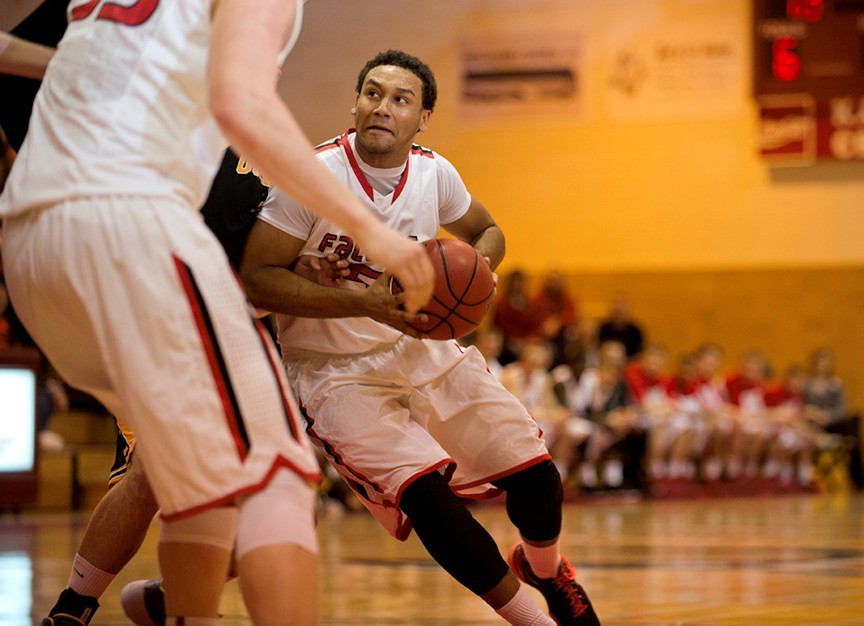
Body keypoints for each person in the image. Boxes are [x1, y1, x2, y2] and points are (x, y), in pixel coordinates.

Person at [1, 3, 433, 626]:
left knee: (206, 477)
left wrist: (73, 72)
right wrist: (373, 231)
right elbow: (240, 102)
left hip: (29, 250)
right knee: (279, 480)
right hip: (131, 227)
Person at [234, 50, 599, 625]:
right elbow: (257, 279)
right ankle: (534, 620)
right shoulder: (311, 176)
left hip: (425, 350)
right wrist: (364, 303)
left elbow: (488, 230)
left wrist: (476, 269)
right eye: (372, 94)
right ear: (354, 104)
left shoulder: (434, 173)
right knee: (429, 499)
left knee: (538, 477)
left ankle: (546, 570)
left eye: (401, 99)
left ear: (423, 116)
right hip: (336, 371)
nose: (383, 108)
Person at [597, 296, 644, 360]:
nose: (619, 316)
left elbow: (639, 353)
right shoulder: (602, 328)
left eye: (621, 312)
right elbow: (596, 349)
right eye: (616, 312)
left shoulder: (635, 331)